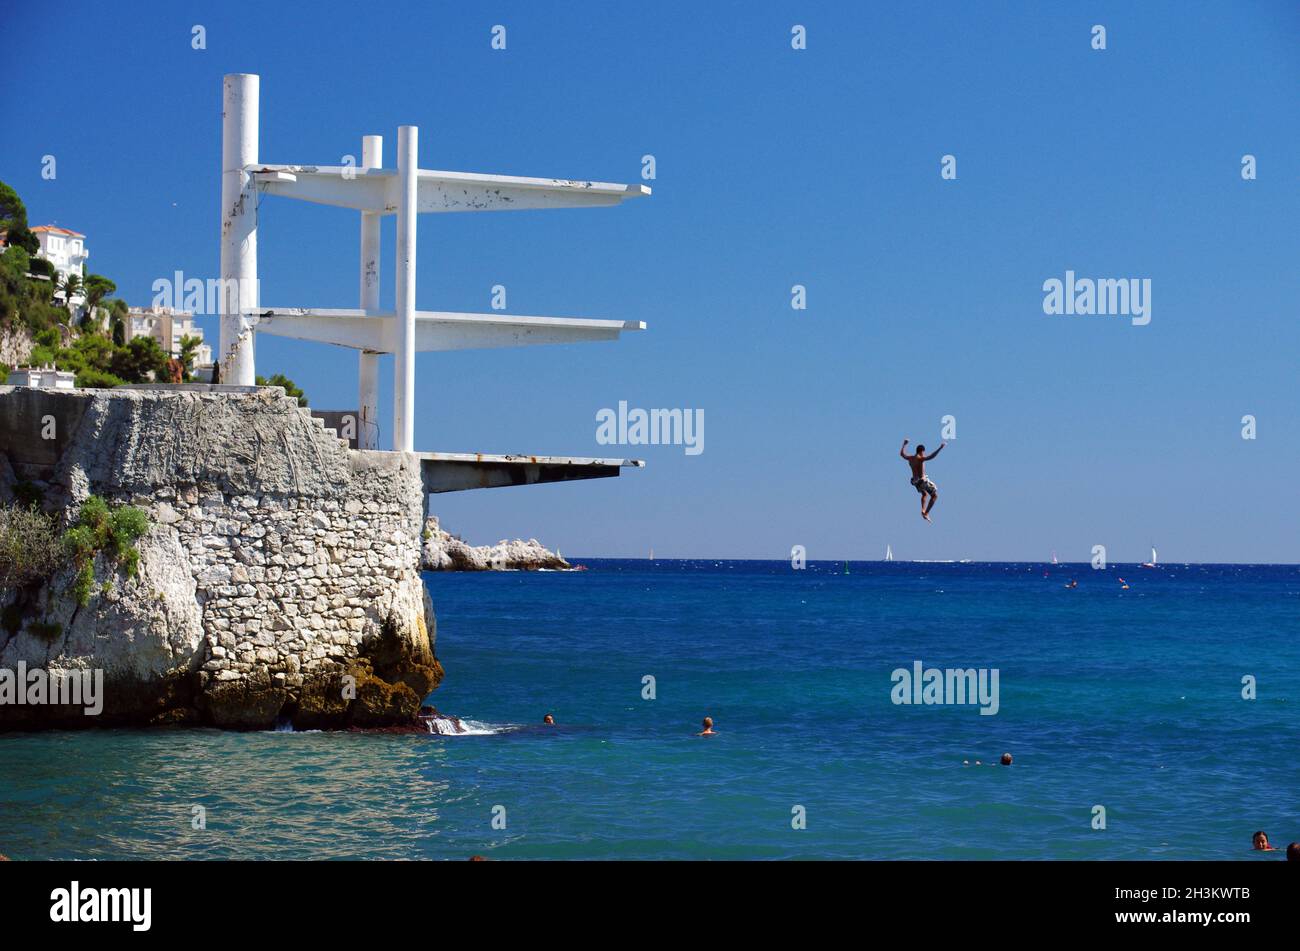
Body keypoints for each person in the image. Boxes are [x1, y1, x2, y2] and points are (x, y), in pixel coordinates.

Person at [900, 439, 945, 521]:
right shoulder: (920, 458)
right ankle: (926, 513)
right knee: (935, 496)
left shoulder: (910, 458)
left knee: (924, 494)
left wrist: (904, 444)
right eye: (923, 452)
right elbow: (931, 456)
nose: (923, 454)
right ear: (921, 451)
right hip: (922, 480)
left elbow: (902, 454)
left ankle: (923, 509)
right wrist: (940, 448)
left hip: (915, 482)